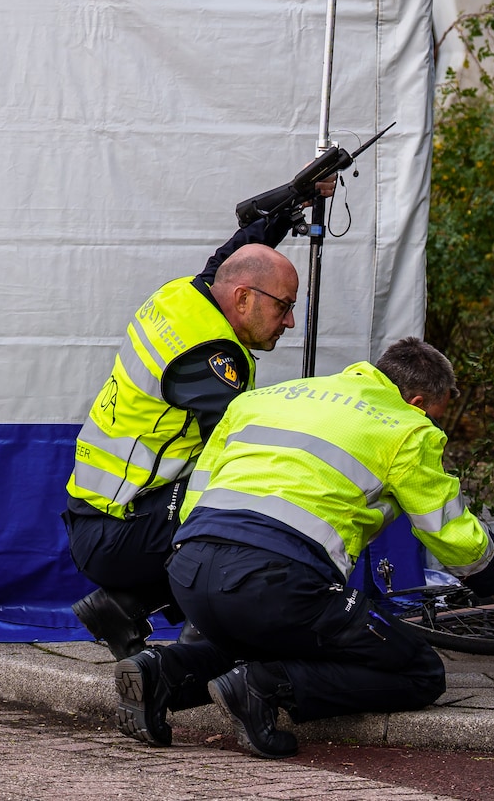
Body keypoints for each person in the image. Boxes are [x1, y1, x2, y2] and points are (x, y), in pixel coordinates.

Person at [112, 337, 494, 756]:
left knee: (269, 636)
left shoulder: (264, 399)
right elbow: (447, 530)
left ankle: (159, 672)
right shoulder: (406, 428)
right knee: (421, 670)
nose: (434, 426)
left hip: (190, 566)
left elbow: (196, 492)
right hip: (275, 578)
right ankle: (266, 686)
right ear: (415, 402)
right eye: (435, 415)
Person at [62, 180, 332, 659]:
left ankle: (122, 607)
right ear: (244, 299)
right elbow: (242, 452)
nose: (289, 322)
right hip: (119, 532)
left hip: (102, 511)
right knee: (252, 511)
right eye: (284, 307)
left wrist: (288, 207)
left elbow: (233, 258)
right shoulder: (210, 357)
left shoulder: (185, 296)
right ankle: (202, 648)